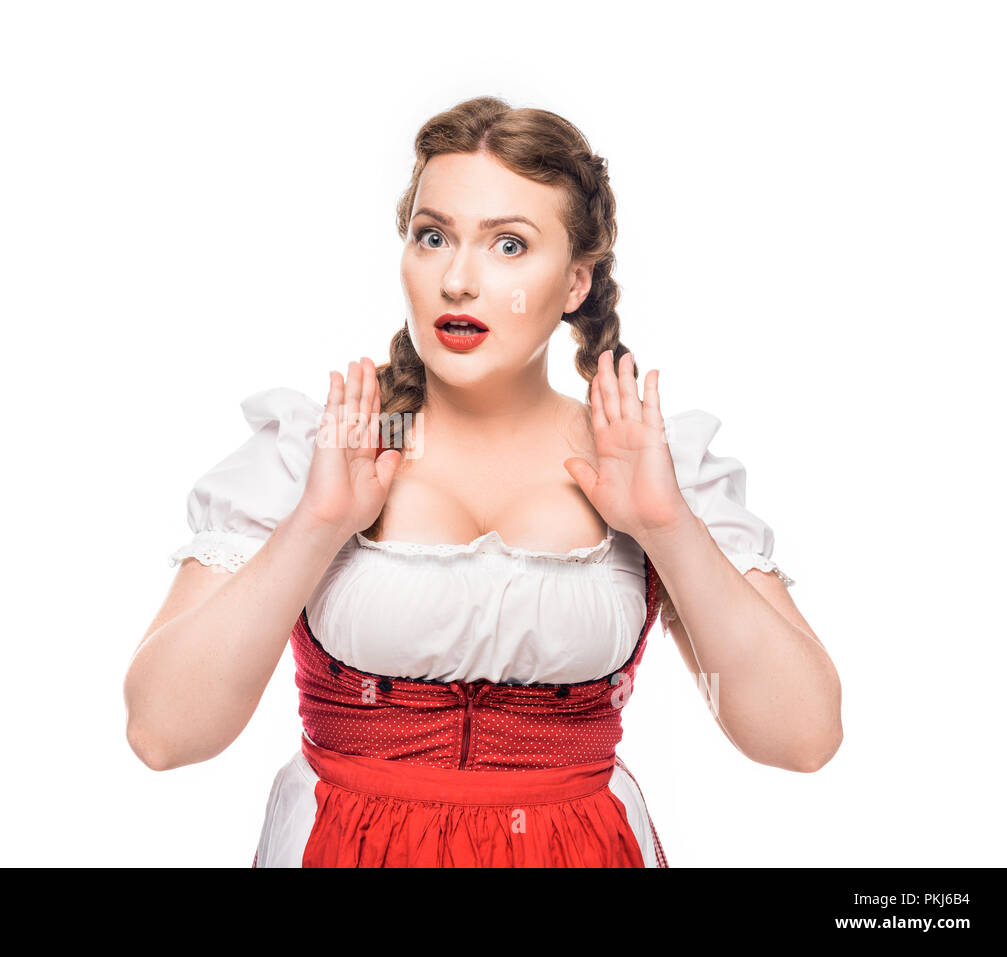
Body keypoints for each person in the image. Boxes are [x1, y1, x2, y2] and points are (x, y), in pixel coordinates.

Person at [125, 95, 842, 867]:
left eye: (508, 244)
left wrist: (669, 528)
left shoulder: (641, 460)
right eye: (432, 237)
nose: (458, 280)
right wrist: (318, 523)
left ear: (575, 283)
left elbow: (803, 737)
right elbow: (162, 733)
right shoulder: (335, 442)